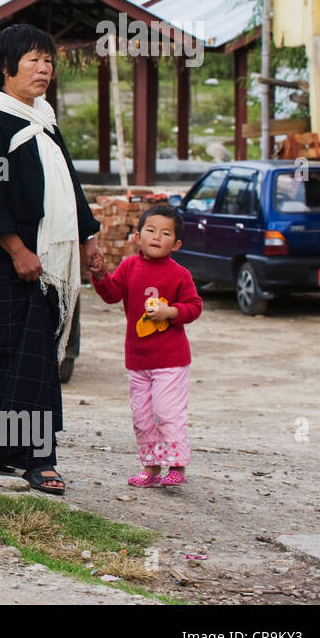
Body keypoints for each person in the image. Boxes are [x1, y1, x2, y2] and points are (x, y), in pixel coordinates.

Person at [0, 24, 101, 495]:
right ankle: (37, 458)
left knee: (23, 352)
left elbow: (67, 181)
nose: (45, 68)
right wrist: (17, 250)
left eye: (48, 60)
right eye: (33, 60)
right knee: (12, 355)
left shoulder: (42, 118)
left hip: (42, 256)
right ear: (6, 67)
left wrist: (88, 236)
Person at [90, 204, 202, 487]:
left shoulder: (180, 274)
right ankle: (150, 469)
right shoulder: (129, 266)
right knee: (142, 417)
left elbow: (194, 307)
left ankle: (176, 467)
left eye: (165, 233)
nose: (156, 237)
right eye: (150, 230)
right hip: (138, 359)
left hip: (171, 359)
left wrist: (171, 312)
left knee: (167, 413)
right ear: (137, 235)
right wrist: (101, 275)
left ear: (175, 244)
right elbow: (113, 295)